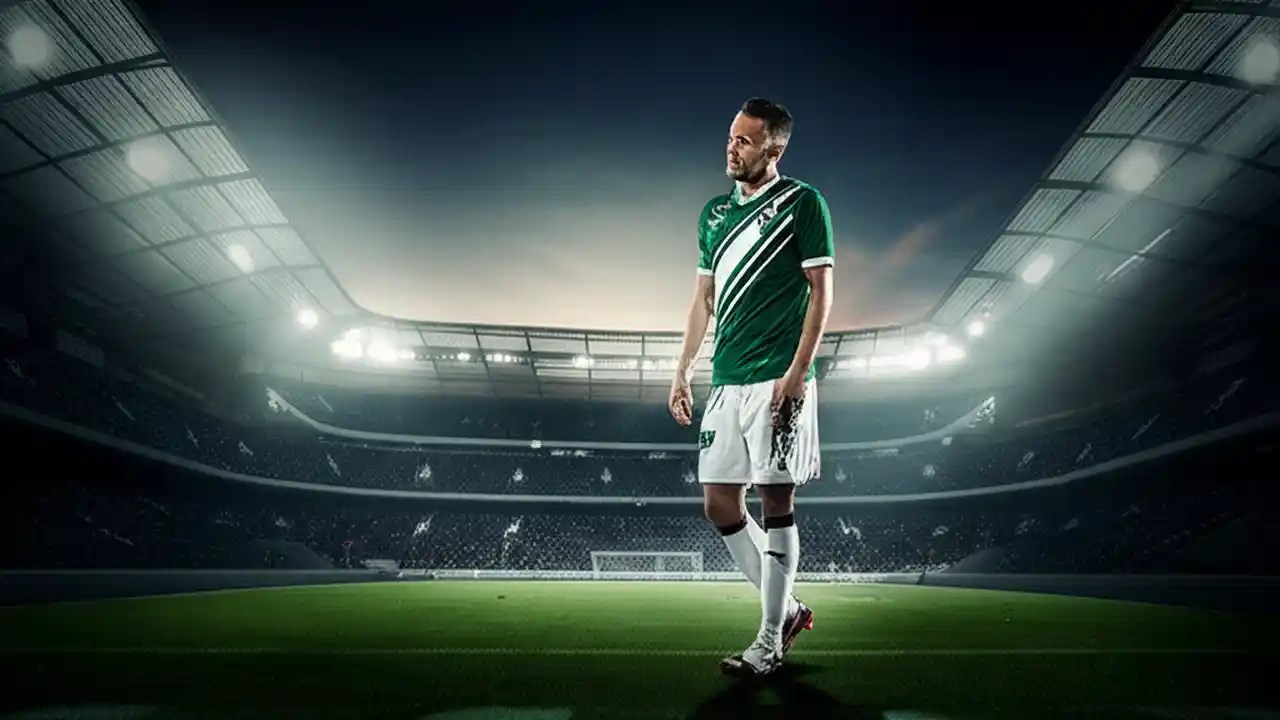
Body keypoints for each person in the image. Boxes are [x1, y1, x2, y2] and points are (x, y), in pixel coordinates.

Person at [669, 97, 835, 677]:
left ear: (774, 148)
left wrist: (796, 375)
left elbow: (821, 292)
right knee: (718, 503)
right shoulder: (713, 214)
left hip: (777, 377)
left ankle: (768, 640)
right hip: (728, 379)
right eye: (731, 138)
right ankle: (789, 610)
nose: (731, 148)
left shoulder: (803, 203)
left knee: (775, 500)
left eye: (744, 140)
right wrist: (683, 368)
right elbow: (702, 301)